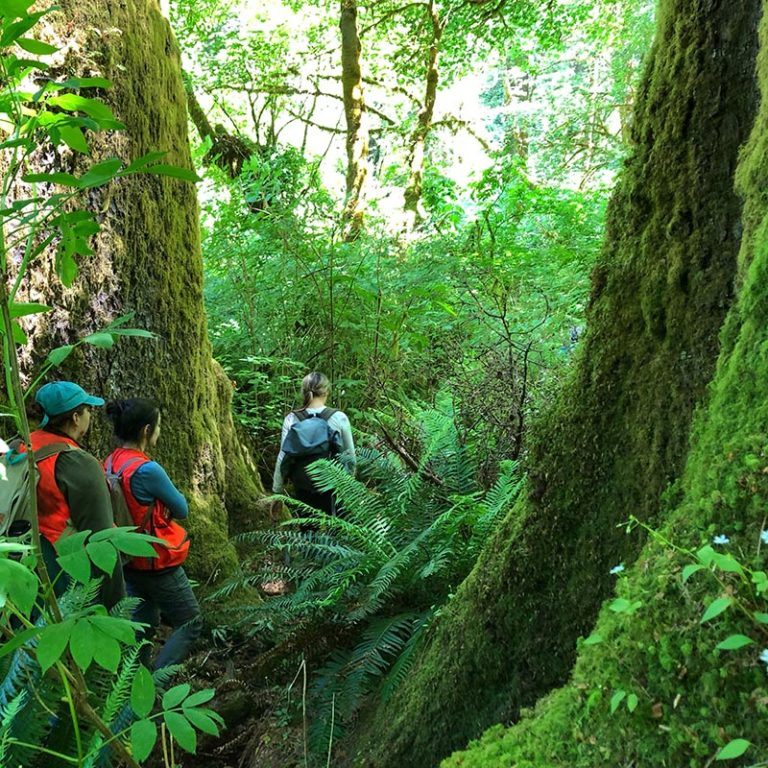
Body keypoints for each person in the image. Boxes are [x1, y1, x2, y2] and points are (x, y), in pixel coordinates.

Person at [104, 398, 201, 669]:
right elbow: (181, 509)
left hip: (127, 559)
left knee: (142, 626)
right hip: (156, 561)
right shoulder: (147, 469)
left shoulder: (110, 462)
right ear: (146, 430)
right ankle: (157, 682)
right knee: (191, 622)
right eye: (158, 426)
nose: (160, 430)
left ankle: (134, 686)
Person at [28, 381, 124, 608]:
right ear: (75, 418)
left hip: (24, 565)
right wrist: (117, 605)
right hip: (65, 572)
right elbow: (101, 537)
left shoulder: (20, 446)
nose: (90, 415)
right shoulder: (77, 463)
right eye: (87, 410)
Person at [272, 371, 356, 515]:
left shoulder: (291, 419)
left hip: (302, 486)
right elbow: (350, 458)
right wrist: (350, 489)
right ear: (326, 391)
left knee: (307, 526)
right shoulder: (339, 418)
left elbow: (282, 458)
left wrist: (277, 492)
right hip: (333, 488)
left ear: (303, 392)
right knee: (334, 526)